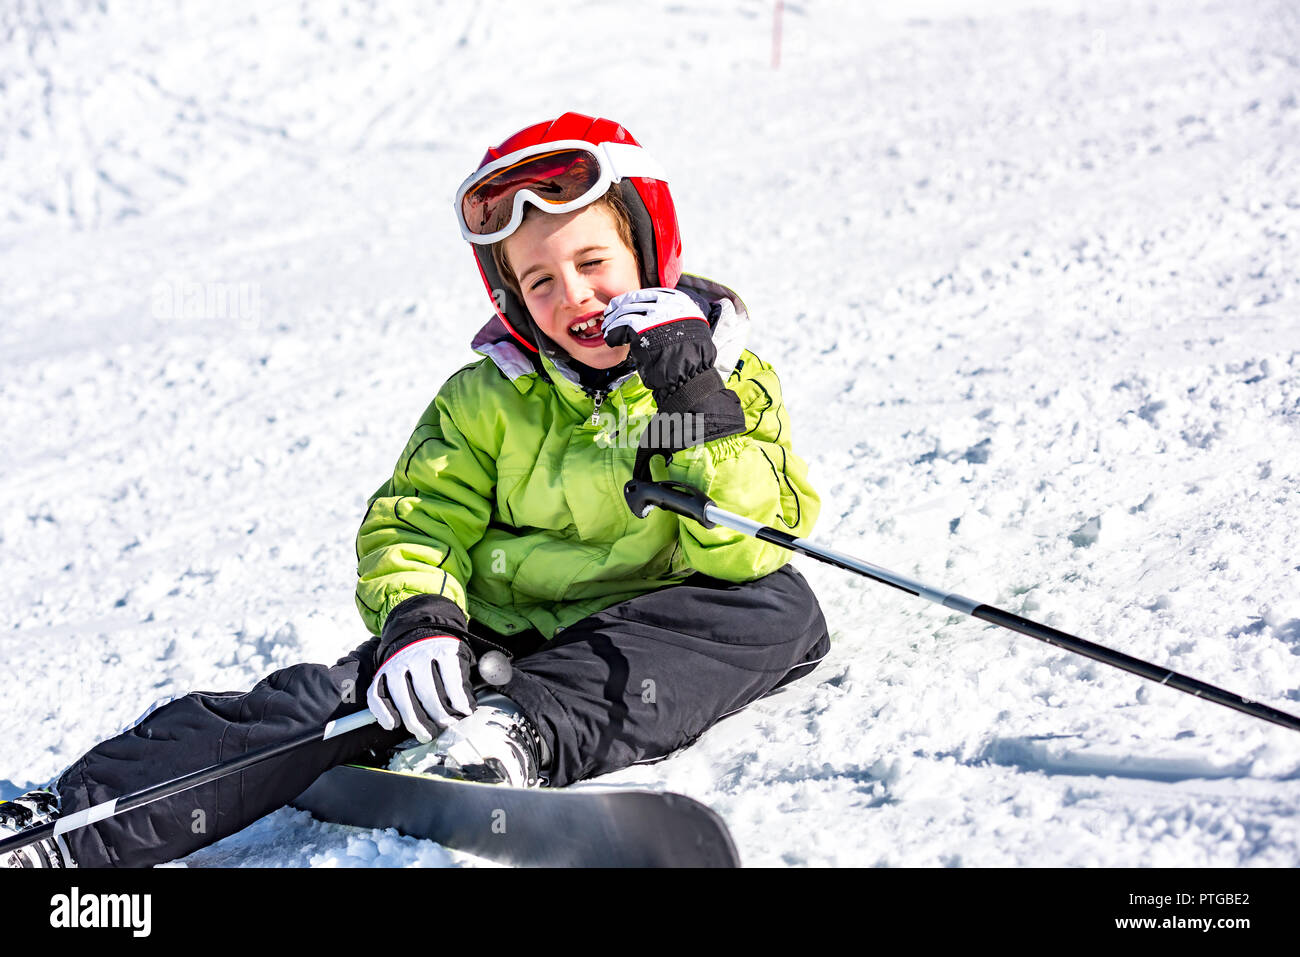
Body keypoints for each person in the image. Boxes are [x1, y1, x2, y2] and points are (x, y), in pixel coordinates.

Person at [1, 112, 830, 868]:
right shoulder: (485, 397)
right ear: (509, 297)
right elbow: (417, 518)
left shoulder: (723, 380)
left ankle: (517, 733)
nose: (572, 295)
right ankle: (64, 828)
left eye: (591, 262)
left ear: (649, 256)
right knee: (308, 705)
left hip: (656, 633)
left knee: (780, 607)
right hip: (498, 639)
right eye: (538, 281)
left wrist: (692, 402)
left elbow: (750, 542)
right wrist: (422, 622)